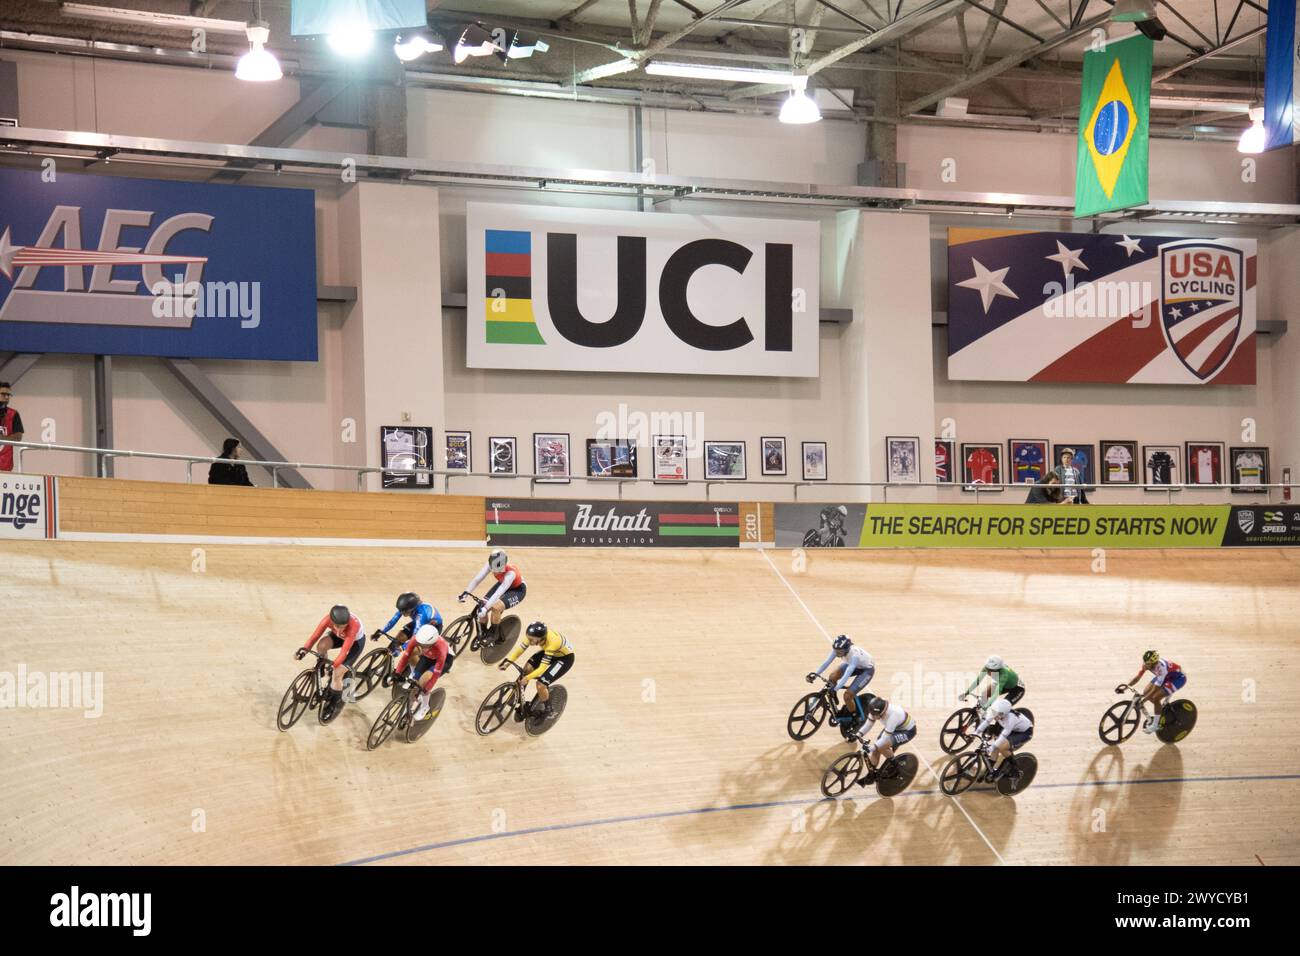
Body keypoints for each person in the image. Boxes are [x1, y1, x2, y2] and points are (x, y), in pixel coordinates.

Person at [295, 605, 366, 721]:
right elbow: (314, 637)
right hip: (339, 637)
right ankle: (321, 668)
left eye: (343, 626)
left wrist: (333, 667)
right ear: (332, 621)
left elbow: (344, 652)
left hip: (354, 643)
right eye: (337, 626)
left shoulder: (353, 626)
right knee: (321, 646)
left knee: (337, 673)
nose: (340, 629)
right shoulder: (327, 620)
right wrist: (304, 650)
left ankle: (334, 704)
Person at [501, 620, 574, 720]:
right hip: (551, 652)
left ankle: (549, 710)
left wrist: (527, 678)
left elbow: (542, 668)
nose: (530, 642)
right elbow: (520, 650)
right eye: (529, 639)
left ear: (541, 639)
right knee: (526, 669)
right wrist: (508, 662)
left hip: (564, 659)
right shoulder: (533, 635)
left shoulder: (552, 642)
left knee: (541, 685)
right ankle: (518, 698)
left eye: (532, 640)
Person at [390, 622, 454, 722]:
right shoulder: (416, 638)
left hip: (444, 660)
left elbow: (436, 674)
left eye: (425, 646)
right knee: (415, 682)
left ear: (432, 643)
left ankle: (425, 707)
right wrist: (397, 673)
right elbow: (405, 657)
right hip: (428, 657)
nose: (422, 647)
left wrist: (426, 688)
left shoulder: (441, 647)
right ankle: (408, 707)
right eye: (420, 645)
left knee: (423, 681)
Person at [807, 634, 875, 726]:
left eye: (840, 652)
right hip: (852, 664)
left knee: (847, 696)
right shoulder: (838, 649)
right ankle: (833, 696)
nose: (837, 654)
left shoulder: (854, 655)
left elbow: (847, 674)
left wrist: (836, 688)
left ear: (847, 649)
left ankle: (855, 717)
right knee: (832, 677)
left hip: (866, 670)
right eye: (836, 651)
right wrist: (815, 674)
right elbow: (826, 662)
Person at [461, 548, 525, 636]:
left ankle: (492, 635)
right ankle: (482, 635)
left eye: (499, 570)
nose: (495, 572)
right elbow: (477, 579)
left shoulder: (511, 573)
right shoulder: (490, 564)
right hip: (503, 584)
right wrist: (466, 592)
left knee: (496, 608)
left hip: (516, 590)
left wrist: (486, 608)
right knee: (481, 607)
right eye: (493, 569)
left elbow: (498, 593)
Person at [855, 696, 917, 786]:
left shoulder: (893, 715)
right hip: (893, 728)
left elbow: (885, 738)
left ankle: (895, 767)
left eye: (875, 716)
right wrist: (858, 734)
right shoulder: (875, 710)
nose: (873, 716)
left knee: (881, 747)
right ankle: (871, 775)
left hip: (907, 731)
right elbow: (868, 724)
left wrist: (872, 747)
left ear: (882, 713)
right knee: (876, 749)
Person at [1125, 650, 1187, 734]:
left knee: (1156, 698)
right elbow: (1137, 678)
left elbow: (1154, 690)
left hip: (1177, 679)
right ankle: (1160, 711)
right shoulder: (1148, 664)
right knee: (1146, 692)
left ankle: (1155, 725)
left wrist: (1143, 701)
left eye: (1148, 664)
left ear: (1154, 663)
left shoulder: (1161, 668)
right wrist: (1126, 687)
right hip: (1166, 676)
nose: (1145, 665)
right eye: (1145, 662)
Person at [972, 697, 1034, 780]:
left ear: (1003, 714)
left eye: (997, 714)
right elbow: (986, 722)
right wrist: (975, 733)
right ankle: (989, 771)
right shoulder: (997, 712)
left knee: (1001, 747)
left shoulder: (1010, 719)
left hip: (1024, 732)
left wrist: (991, 748)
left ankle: (1014, 768)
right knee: (996, 747)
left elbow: (1003, 736)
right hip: (1013, 729)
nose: (994, 715)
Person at [376, 592, 443, 658]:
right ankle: (387, 661)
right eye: (401, 610)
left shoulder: (421, 615)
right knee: (400, 636)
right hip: (421, 623)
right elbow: (393, 620)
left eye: (404, 611)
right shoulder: (406, 608)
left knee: (410, 653)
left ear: (412, 609)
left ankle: (416, 668)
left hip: (433, 627)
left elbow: (416, 636)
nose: (402, 613)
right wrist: (382, 632)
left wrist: (403, 647)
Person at [0, 381, 25, 473]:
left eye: (8, 395)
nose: (6, 397)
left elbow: (18, 437)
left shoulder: (13, 414)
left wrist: (1, 438)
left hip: (5, 467)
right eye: (3, 394)